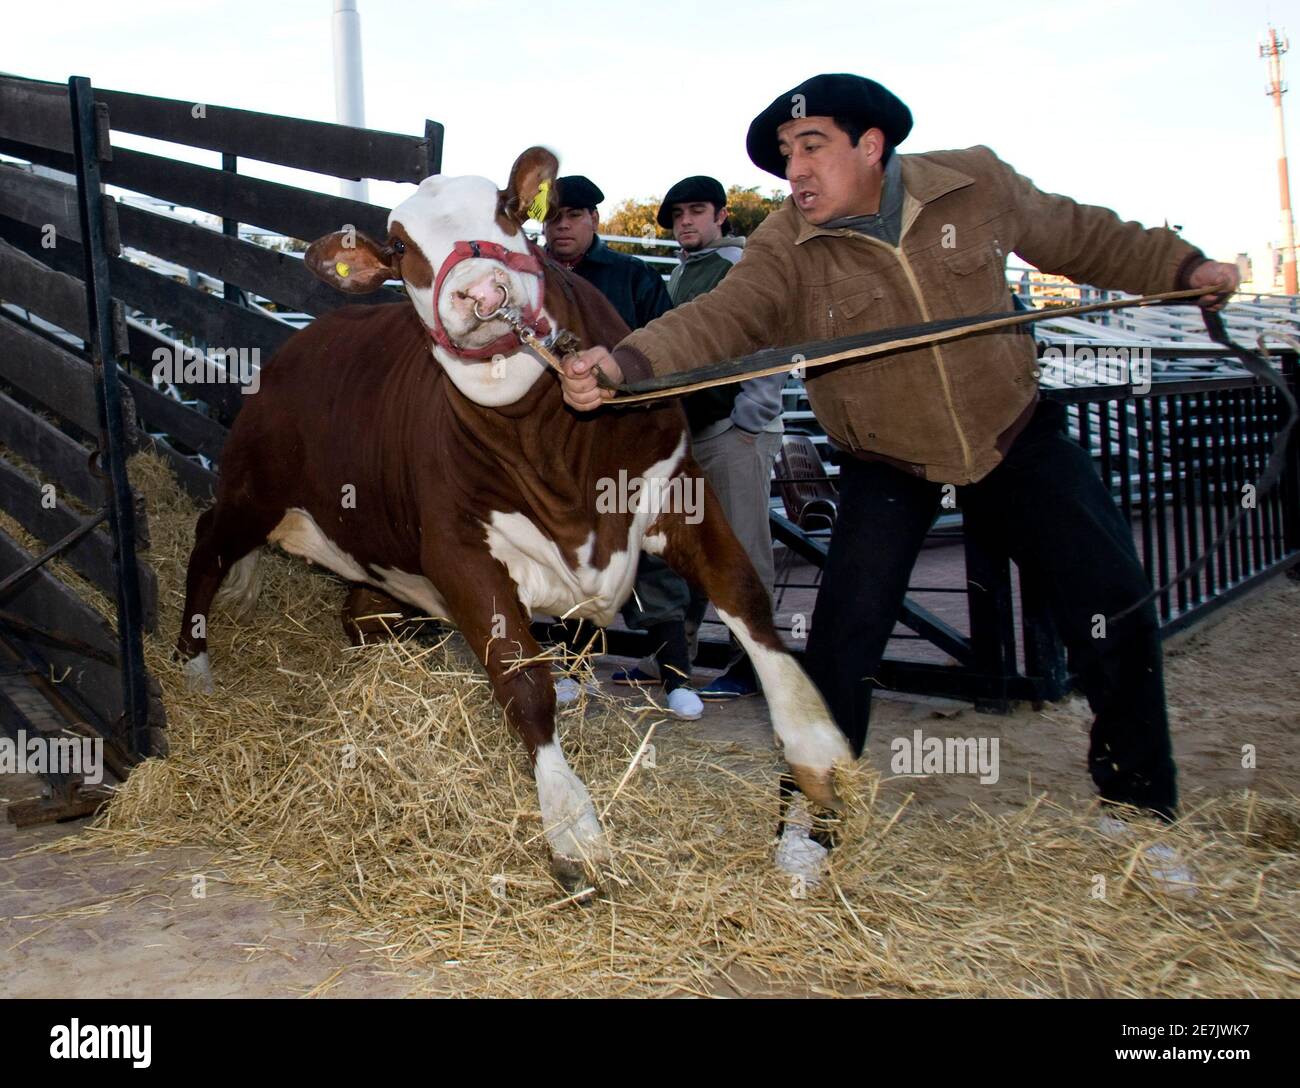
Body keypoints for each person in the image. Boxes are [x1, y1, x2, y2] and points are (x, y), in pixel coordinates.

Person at [558, 74, 1239, 852]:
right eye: (786, 154)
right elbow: (722, 317)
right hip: (886, 458)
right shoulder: (786, 242)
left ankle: (1140, 814)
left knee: (1114, 600)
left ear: (871, 144)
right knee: (844, 639)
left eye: (812, 147)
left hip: (1011, 434)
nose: (796, 170)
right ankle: (812, 824)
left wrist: (1185, 272)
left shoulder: (976, 182)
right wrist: (624, 365)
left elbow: (1084, 235)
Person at [544, 175, 703, 720]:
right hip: (560, 447)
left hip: (628, 439)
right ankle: (571, 669)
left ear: (593, 220)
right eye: (552, 217)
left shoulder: (633, 278)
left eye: (573, 215)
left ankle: (677, 678)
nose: (561, 226)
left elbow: (667, 352)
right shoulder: (524, 285)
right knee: (577, 554)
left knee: (652, 551)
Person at [622, 175, 786, 700]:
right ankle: (673, 658)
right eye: (677, 216)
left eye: (696, 211)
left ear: (721, 216)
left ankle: (758, 666)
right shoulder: (679, 278)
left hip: (732, 432)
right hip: (693, 437)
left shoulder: (739, 266)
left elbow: (770, 338)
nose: (685, 222)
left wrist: (749, 418)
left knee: (741, 547)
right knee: (685, 548)